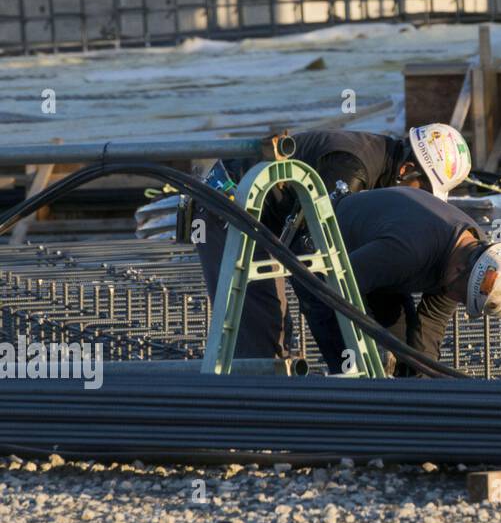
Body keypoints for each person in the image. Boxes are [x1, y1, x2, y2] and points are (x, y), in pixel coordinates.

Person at [195, 124, 471, 359]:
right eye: (423, 190)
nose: (424, 203)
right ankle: (252, 409)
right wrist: (343, 360)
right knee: (260, 331)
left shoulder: (384, 176)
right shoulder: (349, 170)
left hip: (271, 217)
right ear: (407, 169)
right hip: (228, 206)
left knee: (274, 331)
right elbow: (312, 265)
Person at [295, 185, 501, 374]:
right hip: (321, 254)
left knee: (403, 356)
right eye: (462, 296)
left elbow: (431, 324)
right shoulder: (410, 251)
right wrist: (365, 353)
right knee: (355, 364)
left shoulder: (470, 251)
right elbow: (335, 288)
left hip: (377, 263)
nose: (458, 302)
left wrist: (421, 383)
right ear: (460, 270)